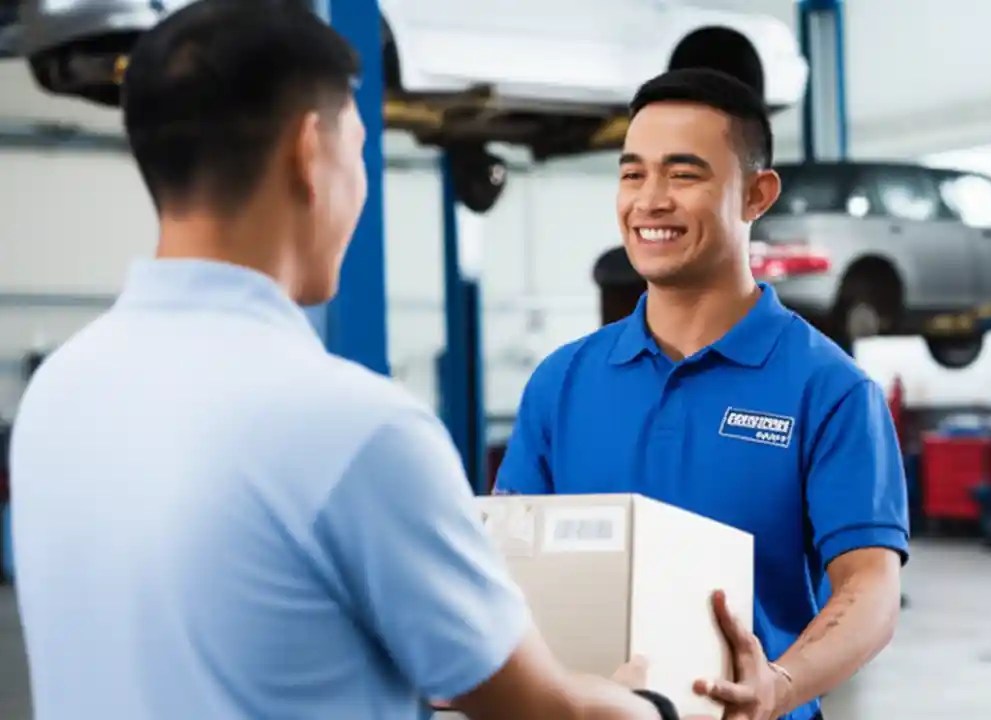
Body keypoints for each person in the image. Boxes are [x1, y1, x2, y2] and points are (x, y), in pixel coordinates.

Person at [7, 2, 694, 718]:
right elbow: (539, 708)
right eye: (359, 149)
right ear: (309, 152)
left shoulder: (59, 393)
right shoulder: (354, 430)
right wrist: (651, 705)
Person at [495, 67, 910, 720]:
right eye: (633, 174)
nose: (650, 200)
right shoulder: (562, 381)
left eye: (683, 174)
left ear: (756, 194)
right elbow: (511, 562)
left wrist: (777, 684)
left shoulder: (829, 390)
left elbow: (870, 586)